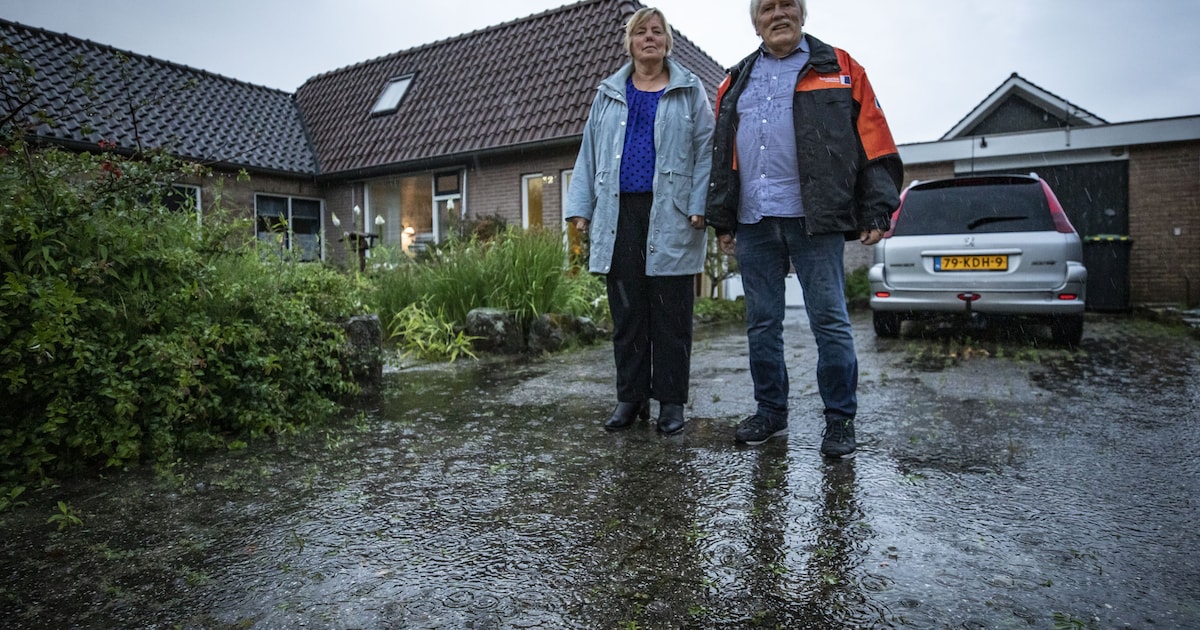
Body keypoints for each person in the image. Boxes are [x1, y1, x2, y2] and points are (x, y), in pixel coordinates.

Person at [705, 0, 903, 456]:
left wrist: (877, 208)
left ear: (802, 13)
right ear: (756, 23)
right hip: (754, 219)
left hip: (817, 218)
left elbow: (873, 138)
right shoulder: (733, 81)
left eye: (788, 4)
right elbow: (722, 156)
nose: (779, 14)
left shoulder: (841, 68)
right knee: (762, 323)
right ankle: (771, 412)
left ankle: (839, 419)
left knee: (830, 321)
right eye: (767, 8)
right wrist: (722, 218)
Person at [564, 6, 714, 435]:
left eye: (657, 31)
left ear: (668, 42)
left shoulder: (690, 89)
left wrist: (700, 203)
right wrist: (581, 207)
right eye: (641, 32)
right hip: (620, 213)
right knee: (628, 313)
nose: (649, 37)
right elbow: (589, 151)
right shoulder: (609, 92)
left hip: (673, 211)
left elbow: (707, 149)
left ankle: (671, 402)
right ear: (628, 43)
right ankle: (631, 398)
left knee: (671, 314)